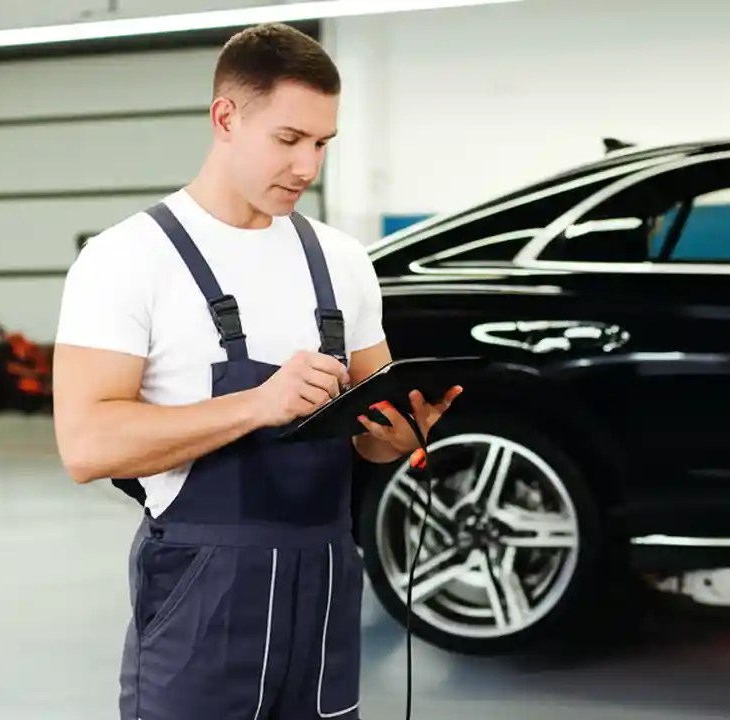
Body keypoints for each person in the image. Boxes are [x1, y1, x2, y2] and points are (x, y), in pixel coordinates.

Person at [52, 23, 462, 719]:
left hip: (328, 582)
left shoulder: (342, 262)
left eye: (322, 144)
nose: (307, 166)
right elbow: (87, 446)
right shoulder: (127, 258)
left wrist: (396, 439)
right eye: (288, 139)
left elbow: (372, 422)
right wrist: (255, 405)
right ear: (225, 118)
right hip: (201, 594)